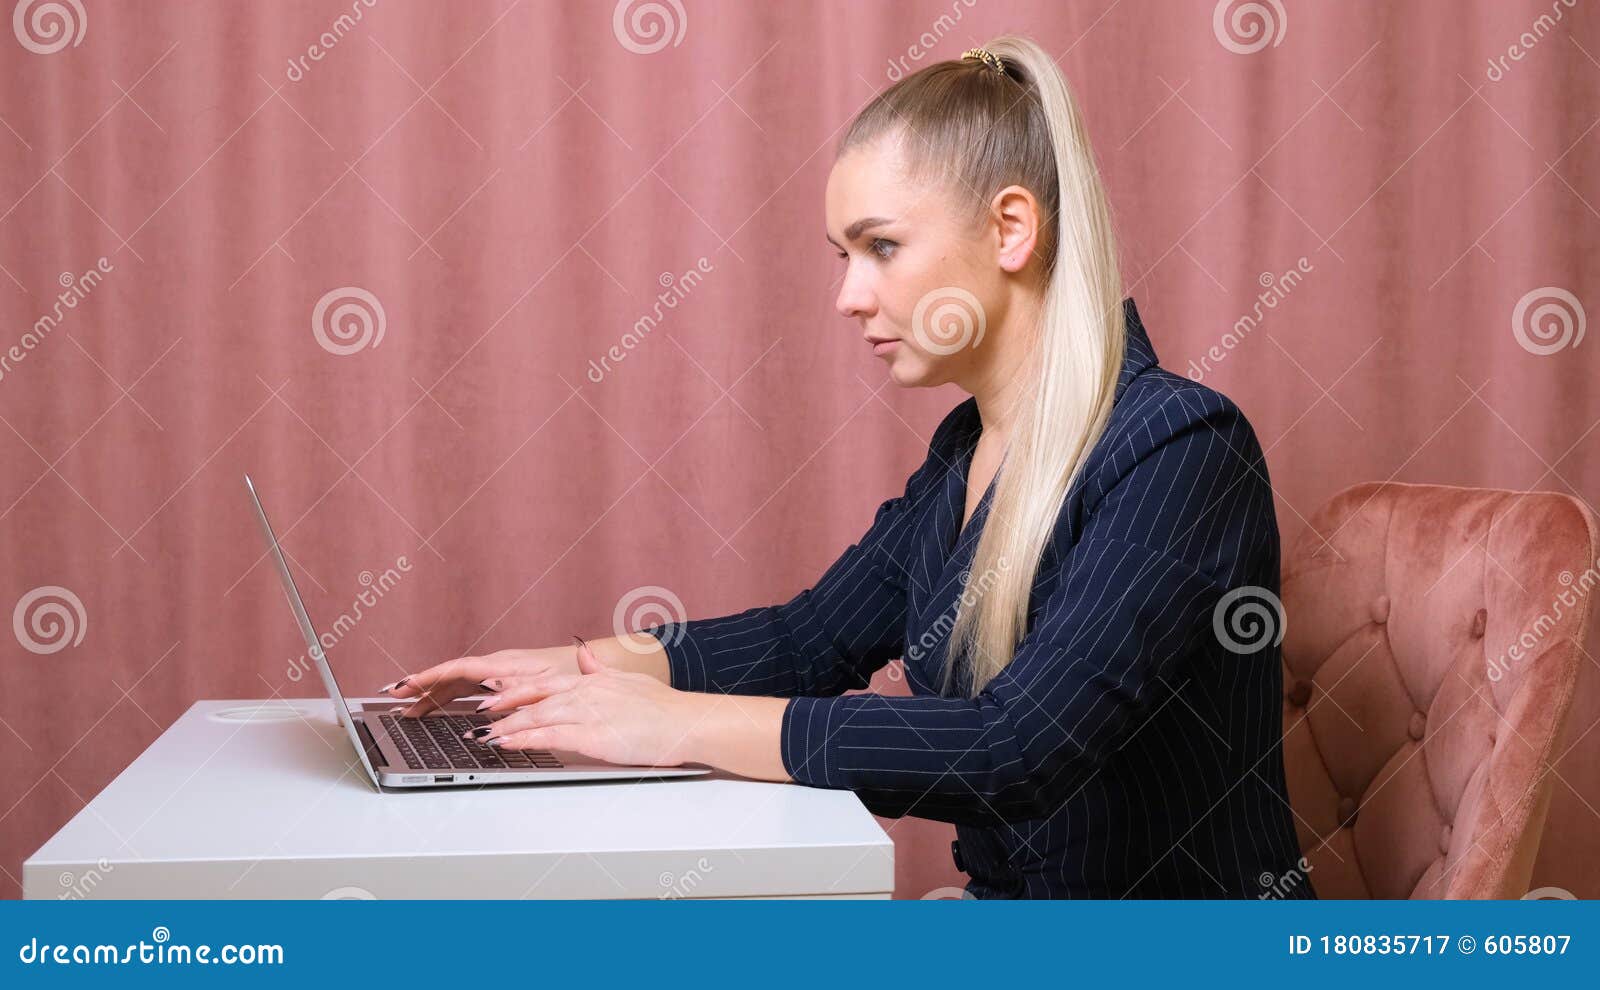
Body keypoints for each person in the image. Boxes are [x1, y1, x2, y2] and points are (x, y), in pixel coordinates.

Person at [380, 35, 1312, 899]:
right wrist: (563, 674)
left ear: (1012, 230)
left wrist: (674, 724)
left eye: (882, 248)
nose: (848, 296)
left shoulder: (1184, 448)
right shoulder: (967, 451)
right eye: (843, 255)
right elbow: (808, 639)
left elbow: (1021, 747)